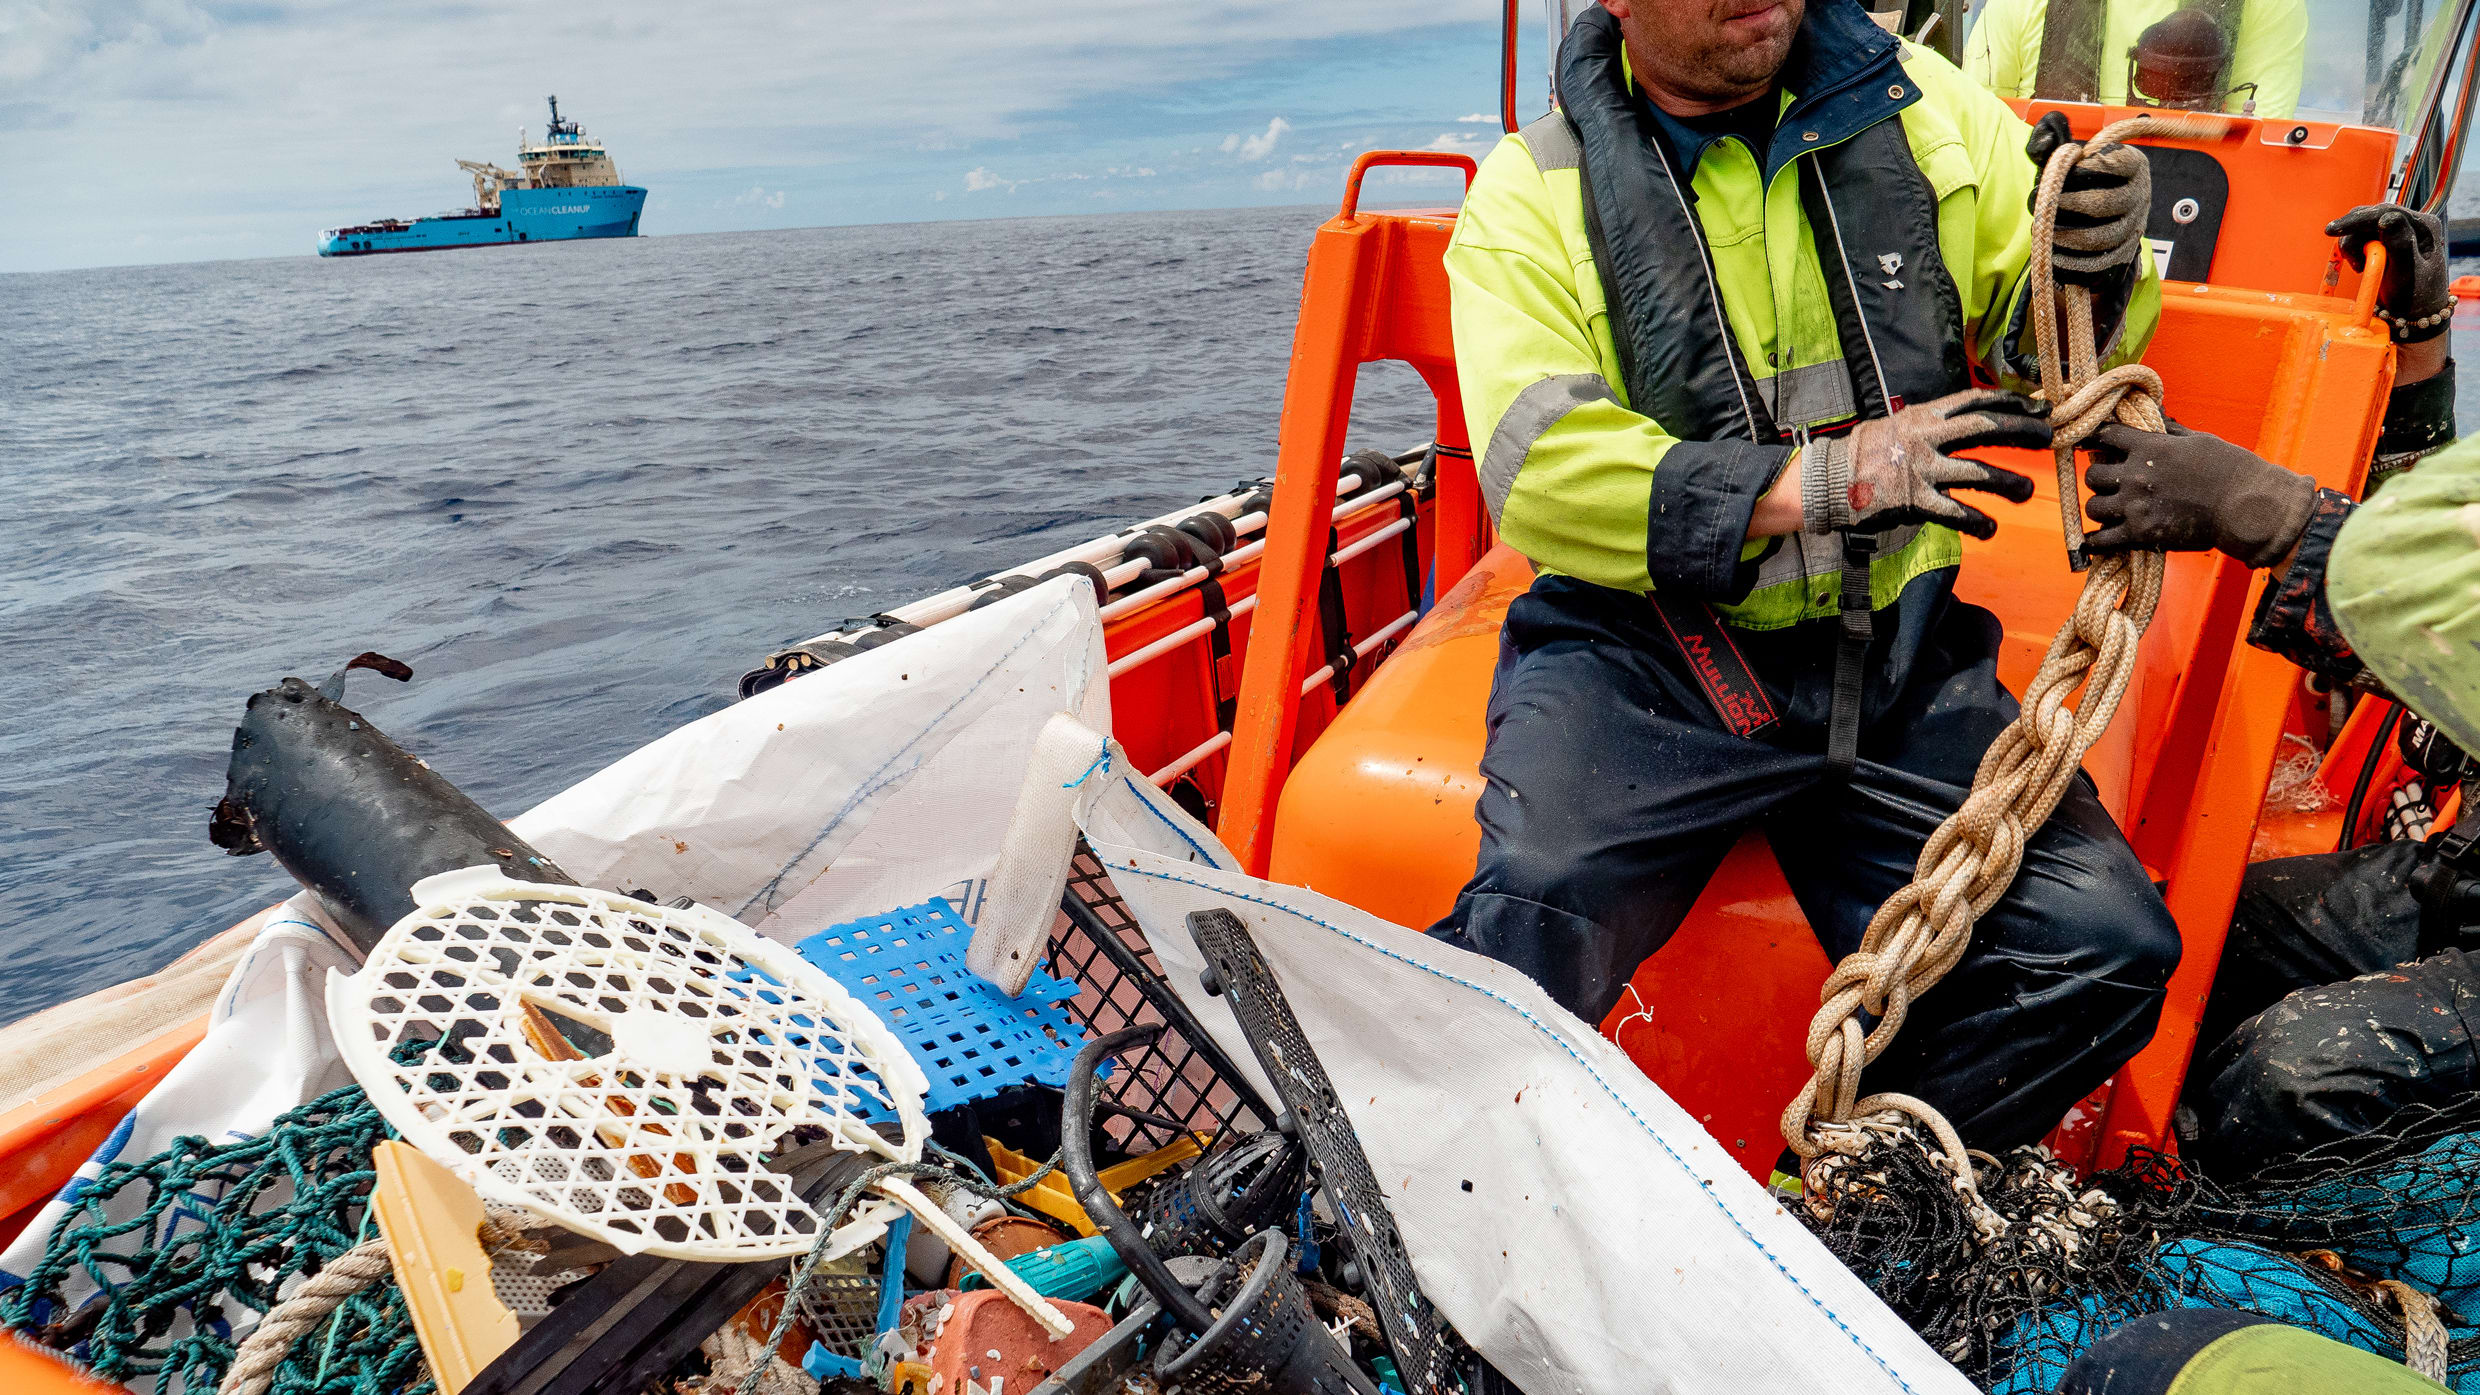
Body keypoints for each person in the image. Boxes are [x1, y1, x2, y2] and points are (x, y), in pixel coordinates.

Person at [1431, 0, 2180, 1153]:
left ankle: (1846, 1217)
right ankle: (1388, 1204)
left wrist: (2097, 263)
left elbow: (2057, 350)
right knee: (1533, 905)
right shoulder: (1530, 195)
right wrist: (1815, 484)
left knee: (2102, 945)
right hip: (1651, 658)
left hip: (1890, 654)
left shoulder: (1927, 112)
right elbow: (1540, 474)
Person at [2064, 203, 2466, 1170]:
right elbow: (2442, 540)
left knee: (2288, 1077)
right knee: (2196, 942)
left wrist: (2266, 511)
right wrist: (2419, 346)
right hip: (2463, 873)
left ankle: (2274, 1253)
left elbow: (2453, 626)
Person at [1963, 0, 2309, 117]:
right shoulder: (2017, 5)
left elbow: (2266, 158)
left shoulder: (2266, 7)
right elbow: (1981, 136)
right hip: (2040, 243)